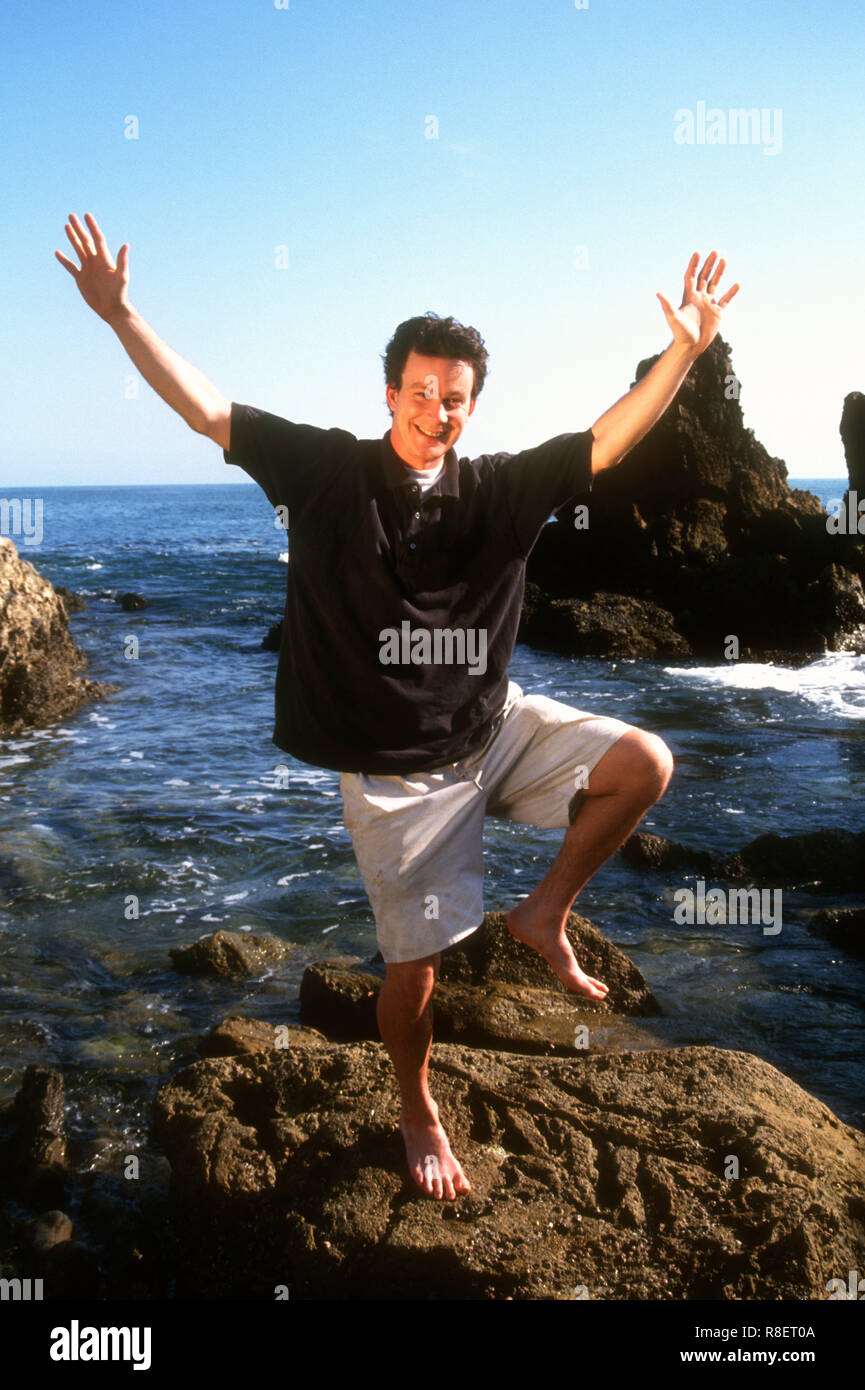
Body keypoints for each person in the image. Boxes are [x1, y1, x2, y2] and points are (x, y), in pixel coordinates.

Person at [56, 213, 740, 1200]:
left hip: (491, 730)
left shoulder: (499, 489)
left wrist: (683, 350)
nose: (436, 409)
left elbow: (607, 440)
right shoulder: (327, 472)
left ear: (472, 407)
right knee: (411, 975)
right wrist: (122, 317)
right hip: (395, 782)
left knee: (644, 762)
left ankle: (542, 913)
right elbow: (209, 412)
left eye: (454, 397)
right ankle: (416, 1104)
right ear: (391, 393)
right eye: (420, 391)